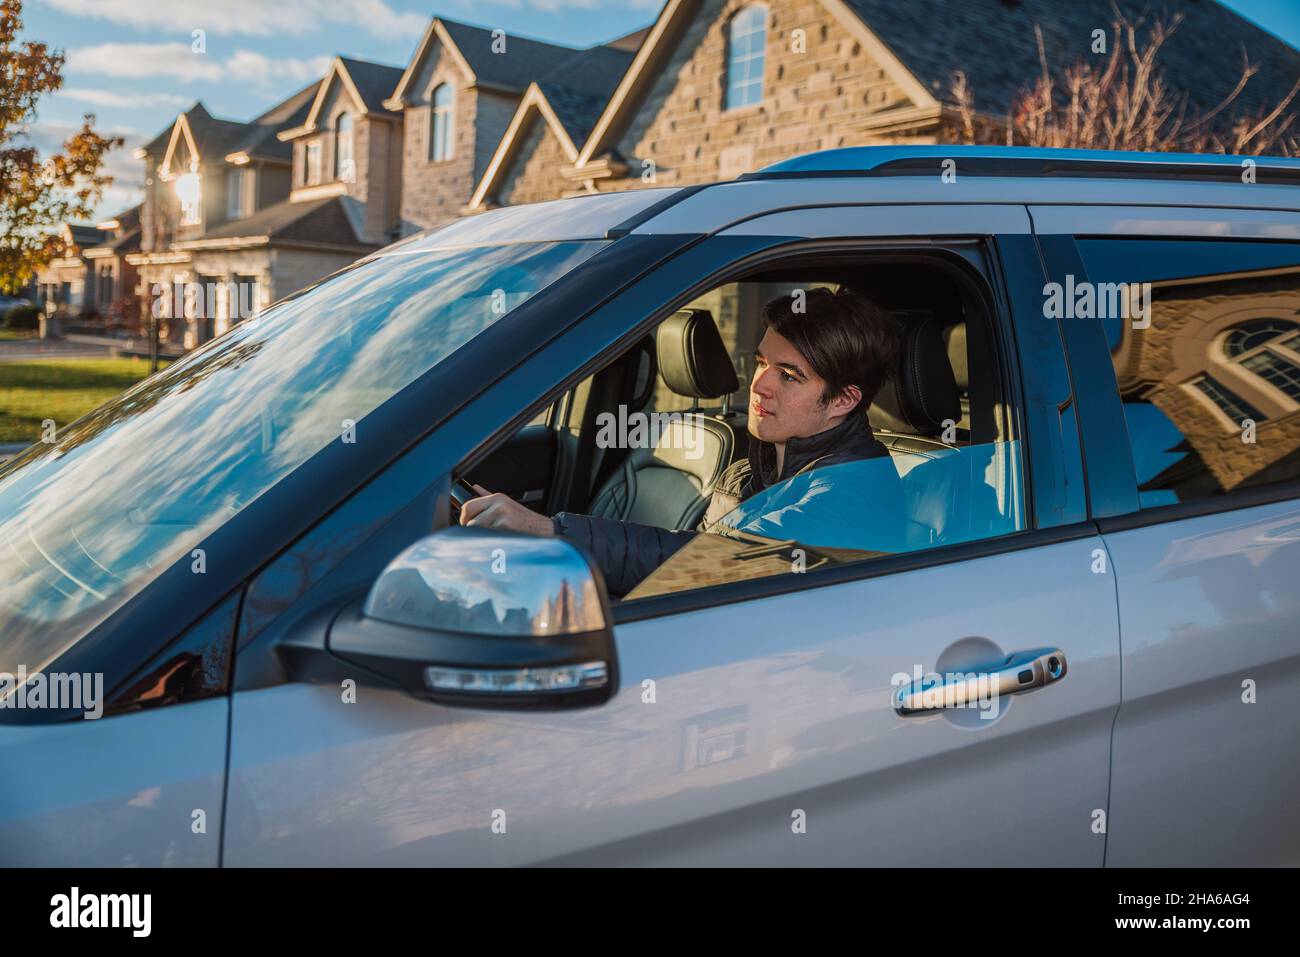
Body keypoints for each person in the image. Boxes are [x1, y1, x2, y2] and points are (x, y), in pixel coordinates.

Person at [460, 286, 901, 595]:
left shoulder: (852, 493)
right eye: (763, 361)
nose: (760, 385)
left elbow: (706, 562)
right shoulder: (753, 466)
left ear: (843, 399)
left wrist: (548, 531)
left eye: (789, 376)